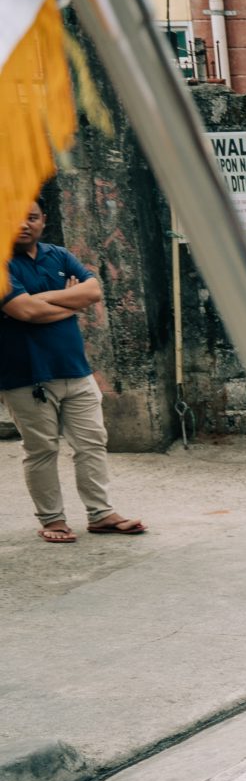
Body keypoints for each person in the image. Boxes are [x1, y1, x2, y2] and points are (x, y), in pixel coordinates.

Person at [1, 203, 143, 542]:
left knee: (92, 443)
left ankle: (101, 514)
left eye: (32, 217)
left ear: (43, 221)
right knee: (41, 449)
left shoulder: (59, 255)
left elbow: (93, 291)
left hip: (75, 370)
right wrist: (68, 301)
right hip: (26, 377)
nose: (24, 224)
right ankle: (52, 520)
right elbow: (25, 312)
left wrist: (41, 304)